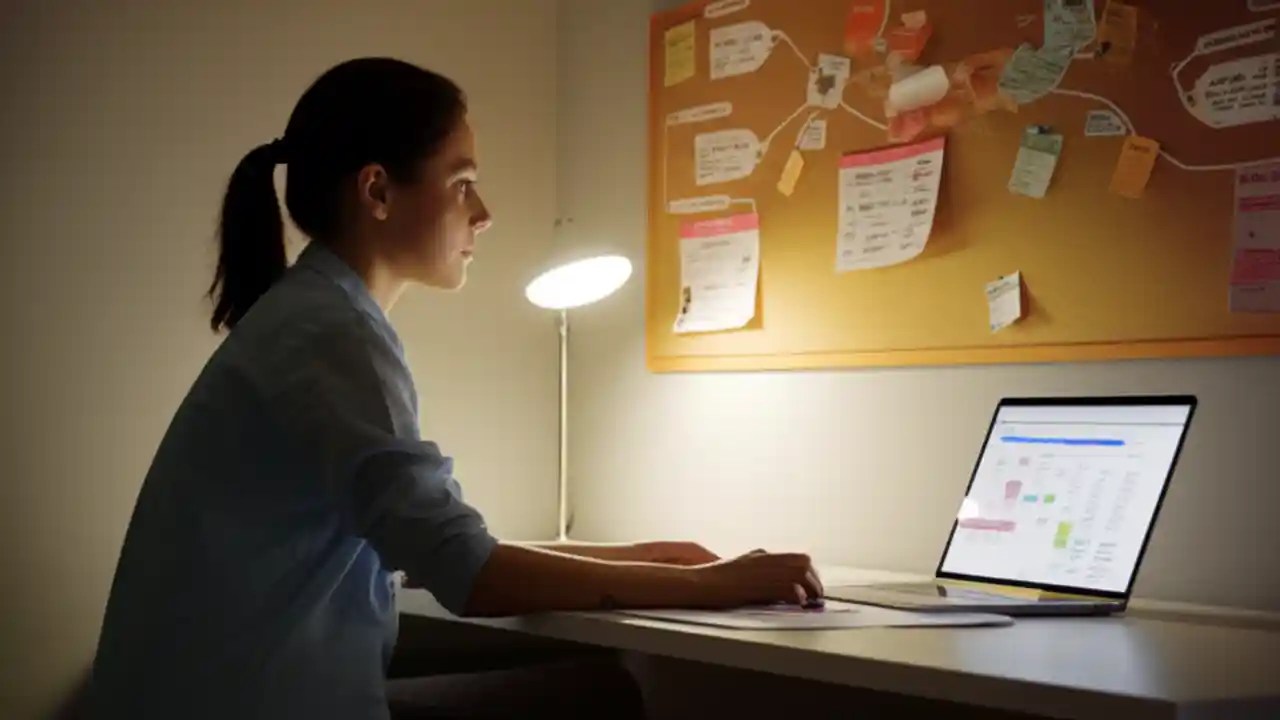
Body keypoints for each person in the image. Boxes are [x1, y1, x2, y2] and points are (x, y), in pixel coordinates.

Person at [88, 57, 823, 720]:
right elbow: (468, 574)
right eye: (462, 183)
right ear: (378, 190)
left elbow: (421, 545)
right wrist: (713, 585)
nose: (484, 213)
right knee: (596, 693)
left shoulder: (315, 315)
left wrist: (636, 556)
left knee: (589, 682)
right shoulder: (332, 333)